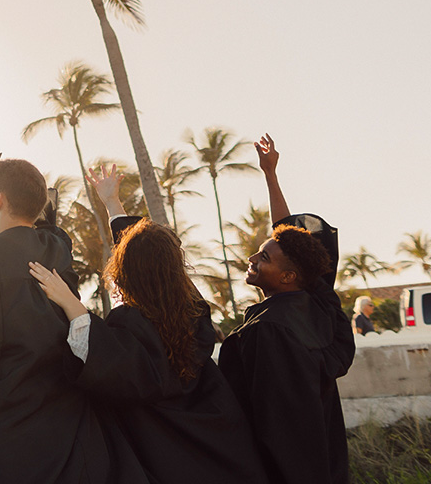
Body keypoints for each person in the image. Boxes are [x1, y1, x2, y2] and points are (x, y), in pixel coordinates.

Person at [31, 164, 267, 484]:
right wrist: (113, 204)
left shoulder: (130, 323)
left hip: (168, 456)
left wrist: (71, 304)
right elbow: (152, 257)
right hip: (219, 447)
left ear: (124, 271)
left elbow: (111, 361)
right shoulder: (193, 313)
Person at [0, 157, 145, 484]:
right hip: (74, 433)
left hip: (10, 443)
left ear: (0, 200)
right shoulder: (57, 247)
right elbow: (38, 213)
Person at [218, 134, 354, 484]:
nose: (251, 259)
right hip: (326, 460)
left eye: (262, 258)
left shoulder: (268, 331)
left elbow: (271, 425)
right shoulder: (320, 305)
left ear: (289, 276)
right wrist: (270, 175)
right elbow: (286, 236)